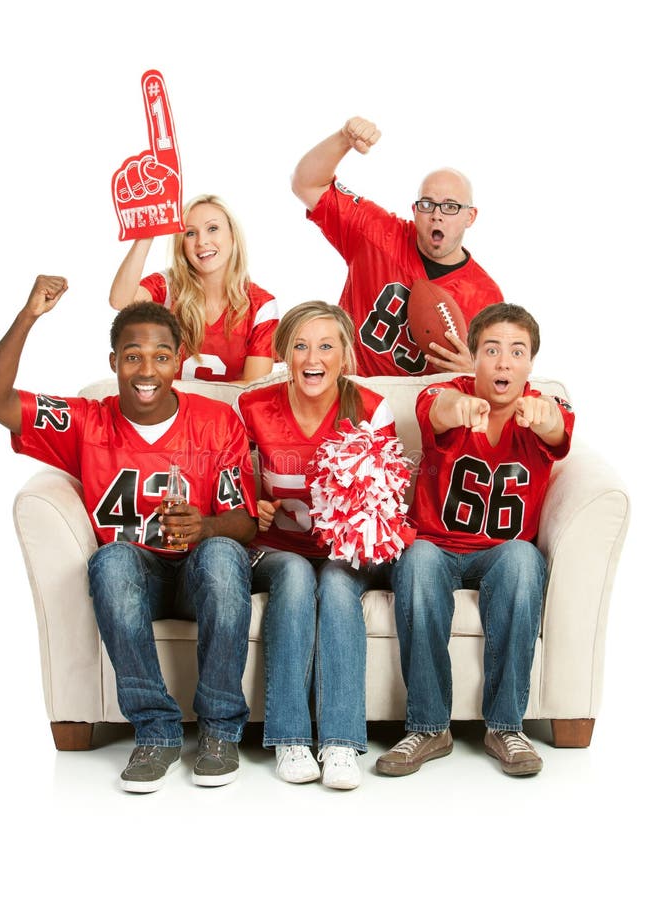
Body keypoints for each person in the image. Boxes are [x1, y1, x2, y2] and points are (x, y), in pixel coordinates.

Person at [0, 276, 258, 792]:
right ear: (113, 363)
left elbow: (246, 523)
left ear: (179, 361)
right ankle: (155, 729)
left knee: (221, 553)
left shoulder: (217, 421)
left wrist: (207, 524)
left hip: (198, 571)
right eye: (132, 356)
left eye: (160, 356)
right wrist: (27, 317)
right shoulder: (87, 420)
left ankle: (219, 728)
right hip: (136, 580)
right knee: (111, 560)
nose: (146, 370)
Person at [377, 302, 574, 778]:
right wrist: (459, 408)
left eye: (516, 351)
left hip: (501, 554)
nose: (503, 362)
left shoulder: (547, 405)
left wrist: (541, 418)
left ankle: (506, 725)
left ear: (530, 364)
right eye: (491, 350)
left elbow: (558, 429)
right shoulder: (444, 393)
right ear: (474, 357)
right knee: (417, 560)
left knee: (526, 561)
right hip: (437, 545)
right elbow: (438, 412)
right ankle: (428, 726)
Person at [234, 301, 396, 790]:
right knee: (298, 573)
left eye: (326, 346)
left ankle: (342, 743)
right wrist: (251, 506)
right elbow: (230, 488)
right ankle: (290, 738)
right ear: (283, 352)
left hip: (344, 553)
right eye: (301, 345)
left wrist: (360, 514)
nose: (313, 357)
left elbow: (385, 505)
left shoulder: (370, 408)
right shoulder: (253, 406)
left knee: (336, 582)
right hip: (276, 549)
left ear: (345, 355)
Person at [291, 116, 503, 377]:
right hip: (350, 387)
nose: (437, 215)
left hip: (422, 406)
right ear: (415, 211)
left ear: (470, 217)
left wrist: (476, 371)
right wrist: (343, 139)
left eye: (450, 207)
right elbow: (307, 184)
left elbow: (501, 377)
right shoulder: (379, 233)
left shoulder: (485, 295)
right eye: (427, 204)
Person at [109, 193, 279, 384]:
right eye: (190, 233)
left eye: (212, 228)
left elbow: (253, 387)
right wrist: (146, 236)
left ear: (233, 236)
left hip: (227, 413)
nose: (201, 242)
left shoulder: (261, 305)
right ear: (181, 244)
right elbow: (120, 301)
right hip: (168, 412)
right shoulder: (167, 286)